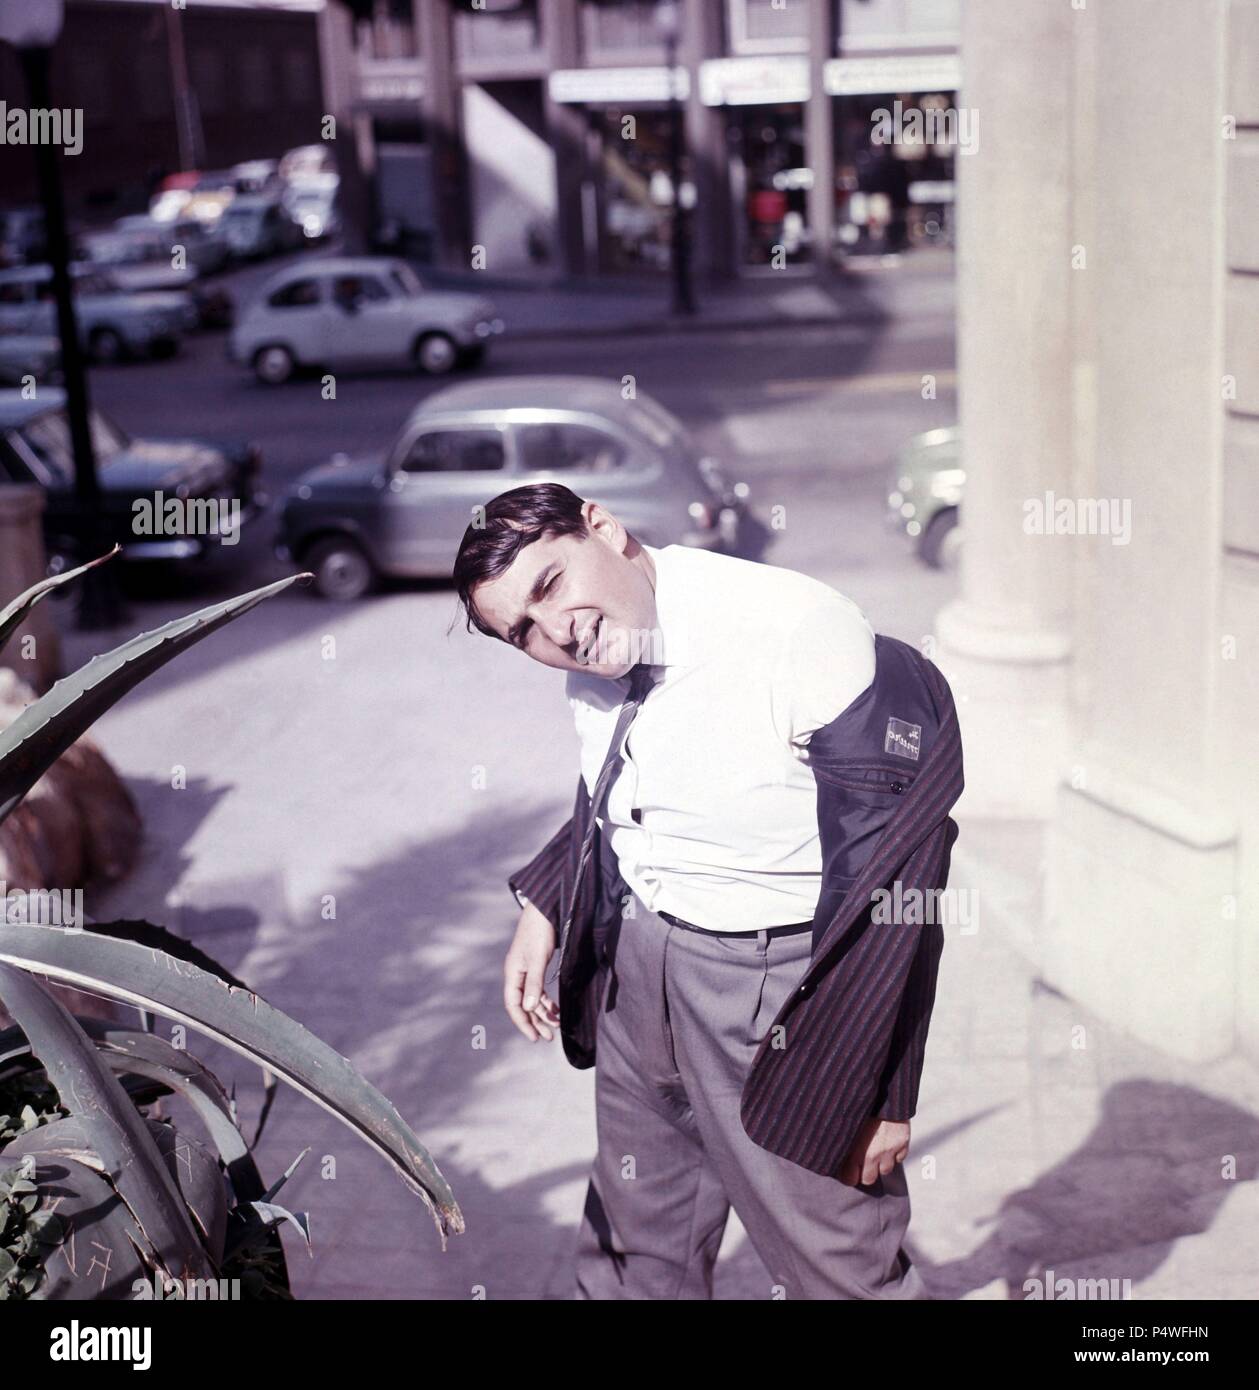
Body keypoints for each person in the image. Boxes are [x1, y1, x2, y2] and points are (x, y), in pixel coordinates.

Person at [453, 482, 956, 1300]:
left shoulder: (793, 628)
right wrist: (546, 901)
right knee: (633, 1248)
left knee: (839, 1267)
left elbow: (902, 868)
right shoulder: (601, 645)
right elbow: (620, 788)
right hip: (637, 974)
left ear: (604, 529)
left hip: (779, 997)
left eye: (549, 586)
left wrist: (882, 1089)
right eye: (522, 632)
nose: (555, 635)